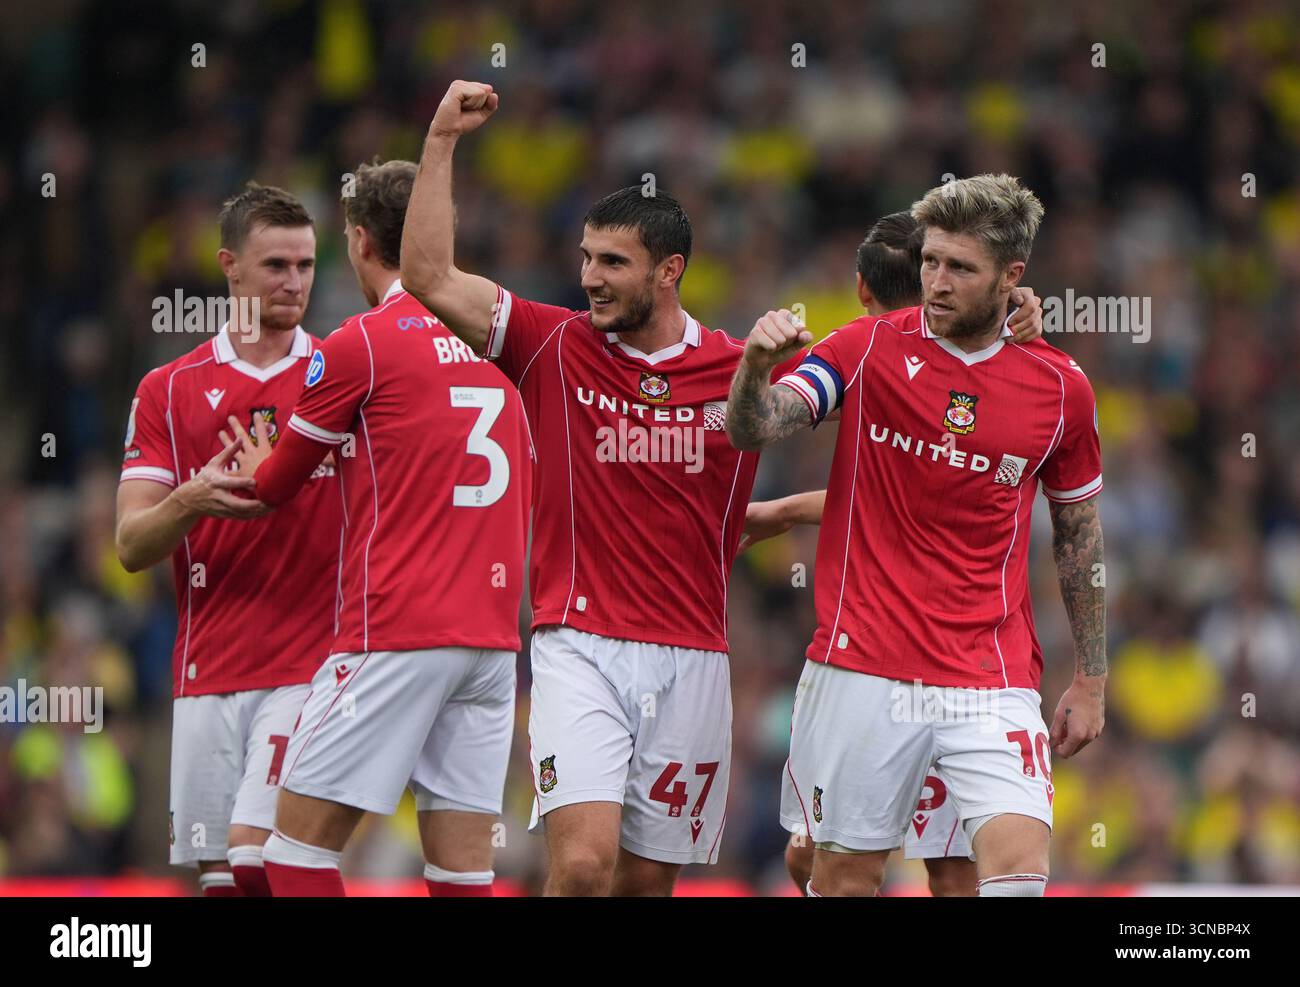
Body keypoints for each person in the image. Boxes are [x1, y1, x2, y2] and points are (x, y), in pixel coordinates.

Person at [401, 82, 1047, 896]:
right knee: (582, 864)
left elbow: (893, 433)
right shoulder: (551, 344)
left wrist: (1014, 314)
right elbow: (427, 273)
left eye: (611, 263)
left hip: (694, 657)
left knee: (644, 880)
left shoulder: (735, 367)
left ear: (668, 271)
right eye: (586, 259)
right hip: (579, 643)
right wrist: (441, 138)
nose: (590, 279)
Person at [727, 174, 1106, 897]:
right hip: (864, 662)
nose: (935, 281)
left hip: (988, 673)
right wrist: (753, 368)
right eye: (930, 261)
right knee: (839, 879)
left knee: (1014, 880)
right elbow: (757, 425)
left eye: (959, 268)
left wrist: (1091, 677)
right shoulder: (866, 347)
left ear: (1012, 276)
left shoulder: (1061, 388)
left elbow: (1079, 538)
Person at [213, 160, 532, 897]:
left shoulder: (360, 342)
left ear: (360, 241)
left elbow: (273, 485)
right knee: (462, 872)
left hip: (394, 632)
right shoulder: (500, 350)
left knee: (291, 854)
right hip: (489, 647)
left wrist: (262, 460)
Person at [115, 183, 338, 896]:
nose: (295, 281)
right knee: (220, 879)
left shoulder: (344, 373)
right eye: (276, 265)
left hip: (311, 662)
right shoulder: (167, 390)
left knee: (260, 858)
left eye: (306, 264)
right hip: (207, 668)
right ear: (229, 267)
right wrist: (191, 498)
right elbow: (130, 544)